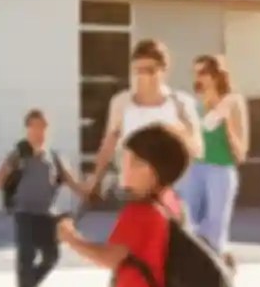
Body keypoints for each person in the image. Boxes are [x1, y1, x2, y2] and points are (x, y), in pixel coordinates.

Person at [56, 124, 190, 287]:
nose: (122, 169)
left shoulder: (140, 212)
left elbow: (110, 258)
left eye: (128, 161)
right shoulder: (171, 202)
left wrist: (71, 238)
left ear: (149, 169)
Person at [0, 109, 85, 287]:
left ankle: (28, 286)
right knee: (26, 255)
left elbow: (72, 182)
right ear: (27, 129)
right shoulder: (19, 154)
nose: (39, 131)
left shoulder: (55, 157)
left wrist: (89, 193)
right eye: (35, 126)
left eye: (43, 127)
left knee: (51, 256)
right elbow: (0, 178)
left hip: (47, 214)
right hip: (24, 213)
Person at [84, 39, 203, 201]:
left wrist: (175, 132)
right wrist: (96, 179)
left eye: (150, 70)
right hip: (132, 188)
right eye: (138, 70)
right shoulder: (121, 102)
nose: (143, 76)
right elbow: (109, 143)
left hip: (173, 190)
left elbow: (198, 148)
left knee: (169, 227)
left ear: (164, 70)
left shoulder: (181, 103)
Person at [181, 54, 248, 270]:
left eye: (202, 72)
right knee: (186, 223)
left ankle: (218, 272)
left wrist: (226, 122)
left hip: (220, 169)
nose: (197, 78)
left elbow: (241, 151)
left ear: (216, 75)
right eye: (195, 72)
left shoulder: (233, 101)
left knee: (215, 228)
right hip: (193, 169)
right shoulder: (196, 104)